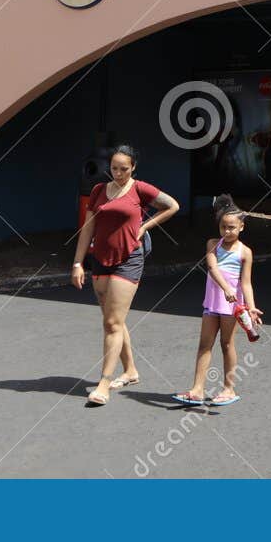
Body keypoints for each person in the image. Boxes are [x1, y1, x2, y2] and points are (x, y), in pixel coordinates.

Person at [72, 145, 180, 405]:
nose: (118, 173)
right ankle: (130, 371)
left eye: (123, 168)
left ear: (133, 167)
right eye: (114, 168)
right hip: (100, 260)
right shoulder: (99, 190)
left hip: (129, 259)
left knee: (111, 324)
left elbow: (172, 206)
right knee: (114, 321)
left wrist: (144, 227)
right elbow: (88, 229)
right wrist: (78, 262)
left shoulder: (140, 189)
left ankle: (104, 384)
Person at [176, 194, 261, 407]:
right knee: (205, 344)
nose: (227, 231)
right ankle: (197, 389)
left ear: (242, 227)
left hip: (233, 306)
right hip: (213, 301)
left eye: (232, 227)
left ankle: (229, 389)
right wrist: (225, 288)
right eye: (223, 227)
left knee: (226, 343)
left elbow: (246, 283)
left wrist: (251, 308)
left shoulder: (245, 252)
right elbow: (212, 268)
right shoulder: (213, 244)